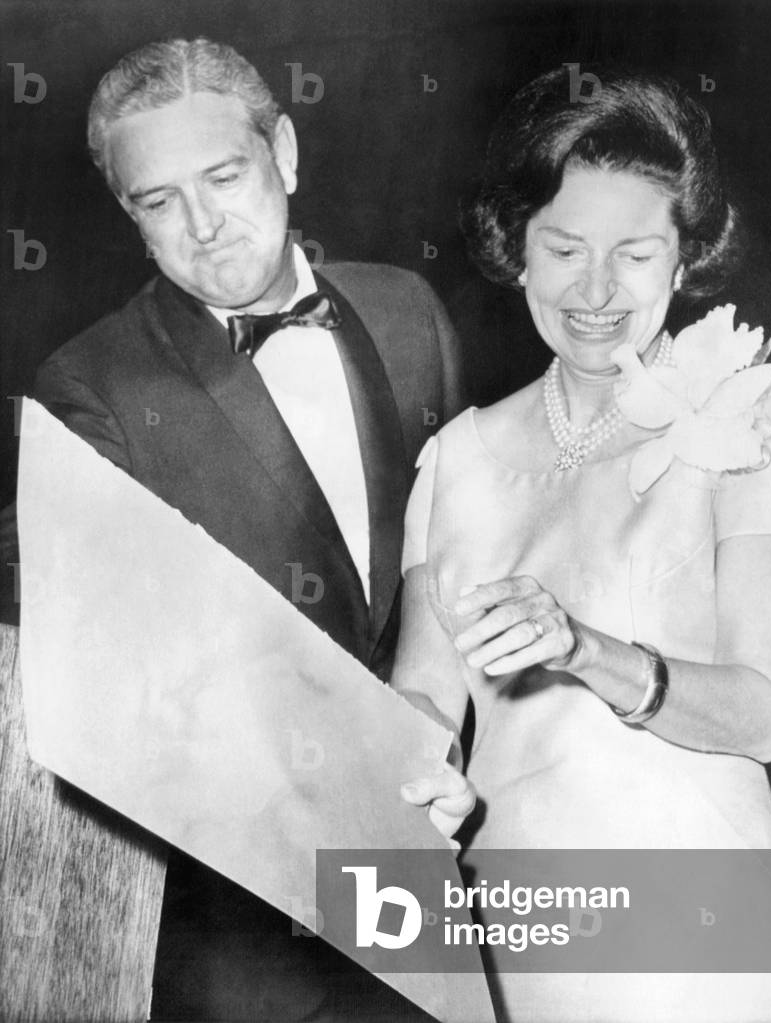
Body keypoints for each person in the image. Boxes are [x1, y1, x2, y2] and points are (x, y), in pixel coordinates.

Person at [31, 37, 474, 1023]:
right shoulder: (88, 389)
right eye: (158, 201)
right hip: (247, 944)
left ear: (285, 153)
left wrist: (430, 736)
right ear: (129, 213)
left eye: (224, 177)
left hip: (425, 893)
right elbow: (106, 693)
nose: (203, 226)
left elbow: (451, 564)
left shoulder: (407, 310)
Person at [392, 66, 771, 1022]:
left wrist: (585, 648)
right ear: (517, 251)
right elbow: (422, 696)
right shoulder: (456, 457)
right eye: (563, 248)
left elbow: (761, 714)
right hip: (514, 933)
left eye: (634, 254)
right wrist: (405, 771)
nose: (594, 289)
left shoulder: (752, 414)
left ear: (684, 260)